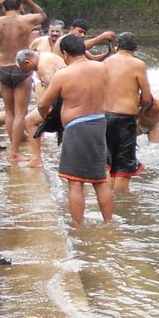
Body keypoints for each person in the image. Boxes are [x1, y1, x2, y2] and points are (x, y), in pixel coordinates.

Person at [34, 33, 114, 224]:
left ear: (64, 53)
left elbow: (44, 105)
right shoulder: (102, 68)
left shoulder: (63, 75)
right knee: (100, 178)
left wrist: (47, 116)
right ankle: (109, 224)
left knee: (75, 181)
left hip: (77, 128)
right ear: (83, 50)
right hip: (99, 122)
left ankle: (78, 227)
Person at [0, 0, 46, 167]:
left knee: (9, 112)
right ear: (20, 6)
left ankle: (13, 150)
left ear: (3, 7)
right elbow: (43, 15)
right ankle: (14, 152)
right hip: (21, 68)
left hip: (4, 69)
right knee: (21, 113)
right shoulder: (26, 20)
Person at [101, 32, 156, 194]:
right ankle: (121, 204)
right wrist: (142, 109)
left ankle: (106, 199)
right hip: (125, 119)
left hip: (104, 116)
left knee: (107, 163)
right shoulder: (138, 64)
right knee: (123, 166)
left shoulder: (106, 62)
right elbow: (146, 97)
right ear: (136, 48)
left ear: (116, 46)